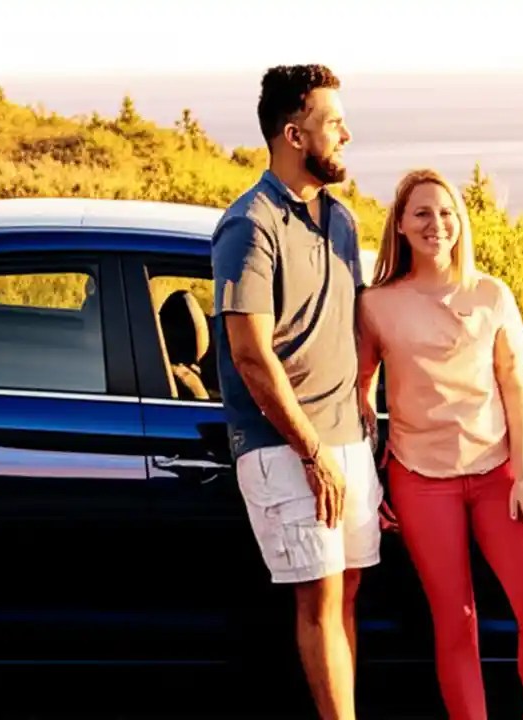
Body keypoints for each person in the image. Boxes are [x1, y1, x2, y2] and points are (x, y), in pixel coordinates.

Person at [357, 168, 523, 720]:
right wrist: (370, 477)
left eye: (446, 212)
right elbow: (360, 393)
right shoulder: (377, 305)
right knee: (457, 620)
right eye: (421, 213)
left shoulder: (492, 294)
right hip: (421, 482)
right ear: (400, 225)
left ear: (461, 221)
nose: (437, 224)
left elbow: (515, 385)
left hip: (499, 474)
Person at [211, 64, 382, 720]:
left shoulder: (340, 220)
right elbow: (251, 354)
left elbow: (352, 320)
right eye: (332, 124)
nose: (346, 134)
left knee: (346, 593)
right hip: (286, 447)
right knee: (317, 599)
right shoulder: (249, 227)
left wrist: (367, 397)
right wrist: (312, 453)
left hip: (348, 439)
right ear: (293, 133)